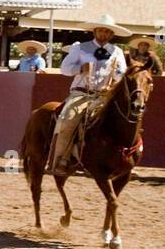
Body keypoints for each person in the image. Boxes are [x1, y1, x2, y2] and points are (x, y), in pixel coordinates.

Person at [48, 15, 130, 176]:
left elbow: (123, 73)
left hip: (104, 95)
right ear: (94, 31)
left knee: (123, 119)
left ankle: (122, 159)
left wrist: (117, 77)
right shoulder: (79, 48)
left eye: (107, 32)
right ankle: (61, 159)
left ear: (112, 34)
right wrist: (80, 69)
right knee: (68, 120)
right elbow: (64, 69)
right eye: (100, 31)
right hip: (81, 93)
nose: (103, 34)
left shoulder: (117, 52)